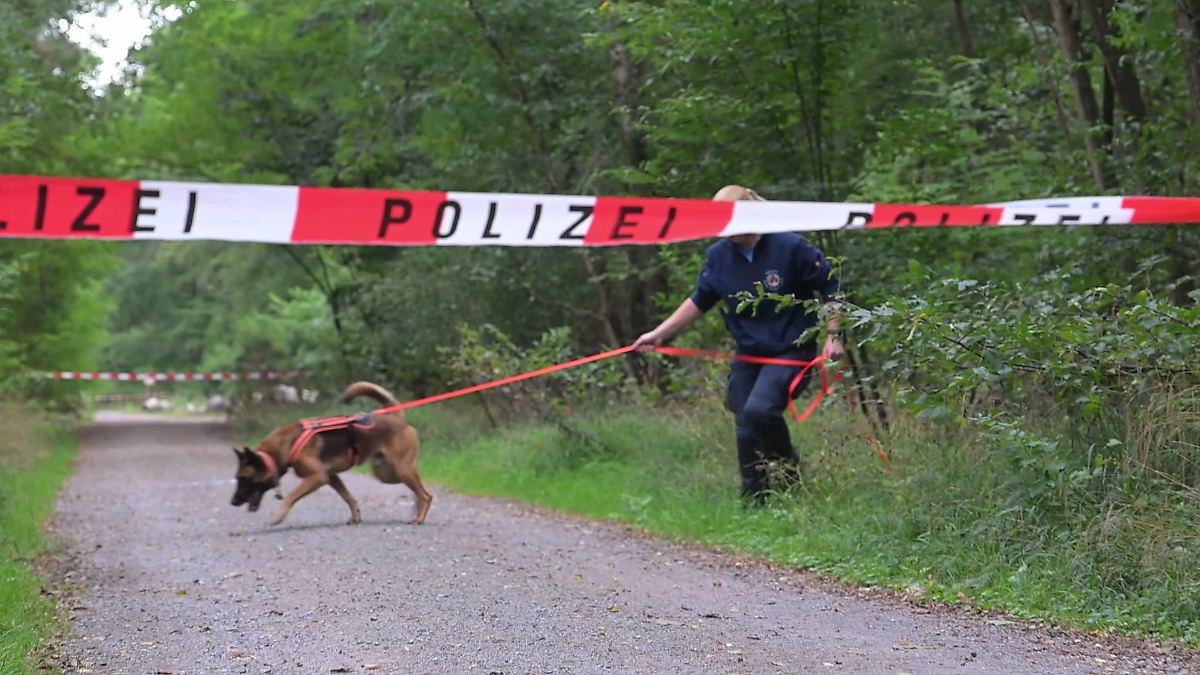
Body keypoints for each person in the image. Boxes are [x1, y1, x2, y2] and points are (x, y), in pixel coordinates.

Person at [632, 185, 844, 503]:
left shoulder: (790, 245)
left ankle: (791, 481)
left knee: (760, 411)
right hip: (750, 352)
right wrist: (659, 334)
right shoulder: (718, 257)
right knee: (744, 420)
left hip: (791, 348)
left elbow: (831, 288)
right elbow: (700, 300)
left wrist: (834, 336)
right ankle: (754, 498)